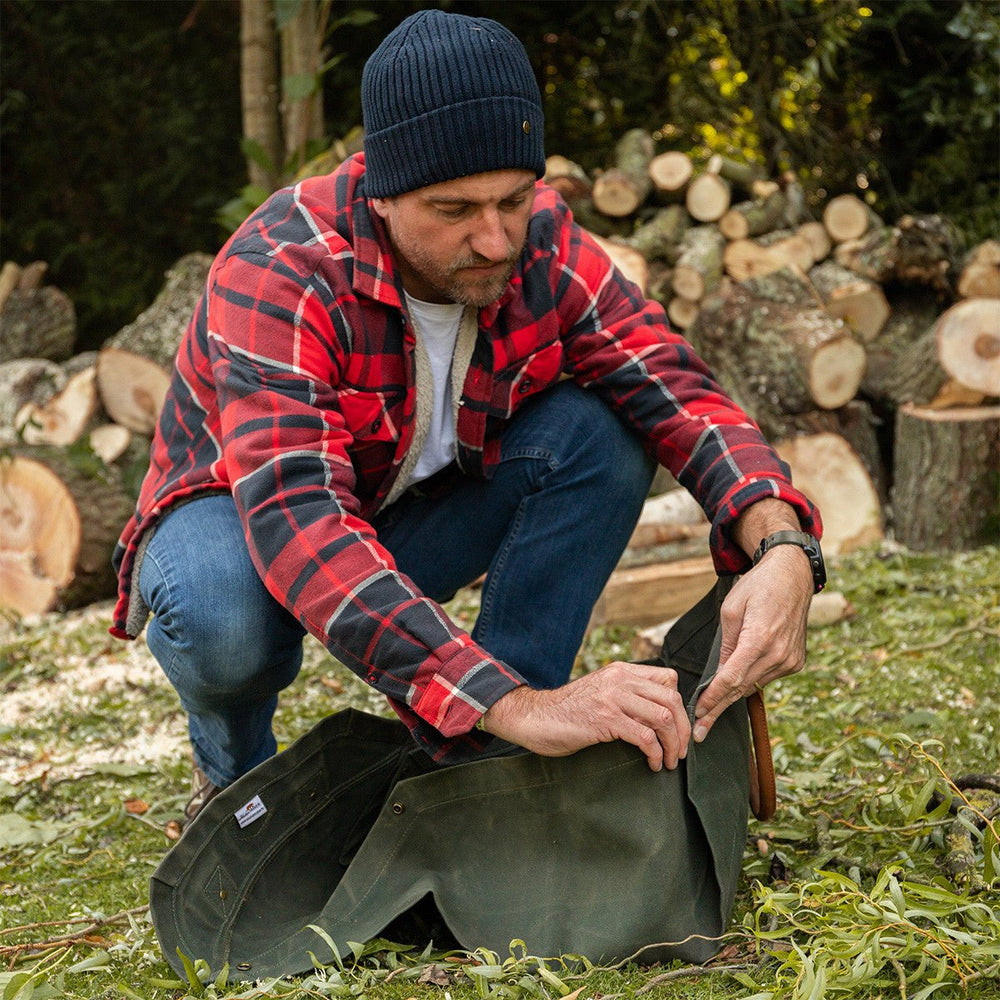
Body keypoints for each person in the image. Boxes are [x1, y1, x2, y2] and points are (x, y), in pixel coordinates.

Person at [110, 8, 823, 824]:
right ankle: (235, 779)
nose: (494, 240)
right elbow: (300, 522)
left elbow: (667, 378)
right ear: (382, 195)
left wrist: (780, 541)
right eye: (454, 210)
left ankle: (489, 765)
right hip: (241, 522)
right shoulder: (282, 268)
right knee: (222, 618)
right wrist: (509, 699)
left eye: (513, 200)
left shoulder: (541, 238)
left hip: (402, 509)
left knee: (603, 428)